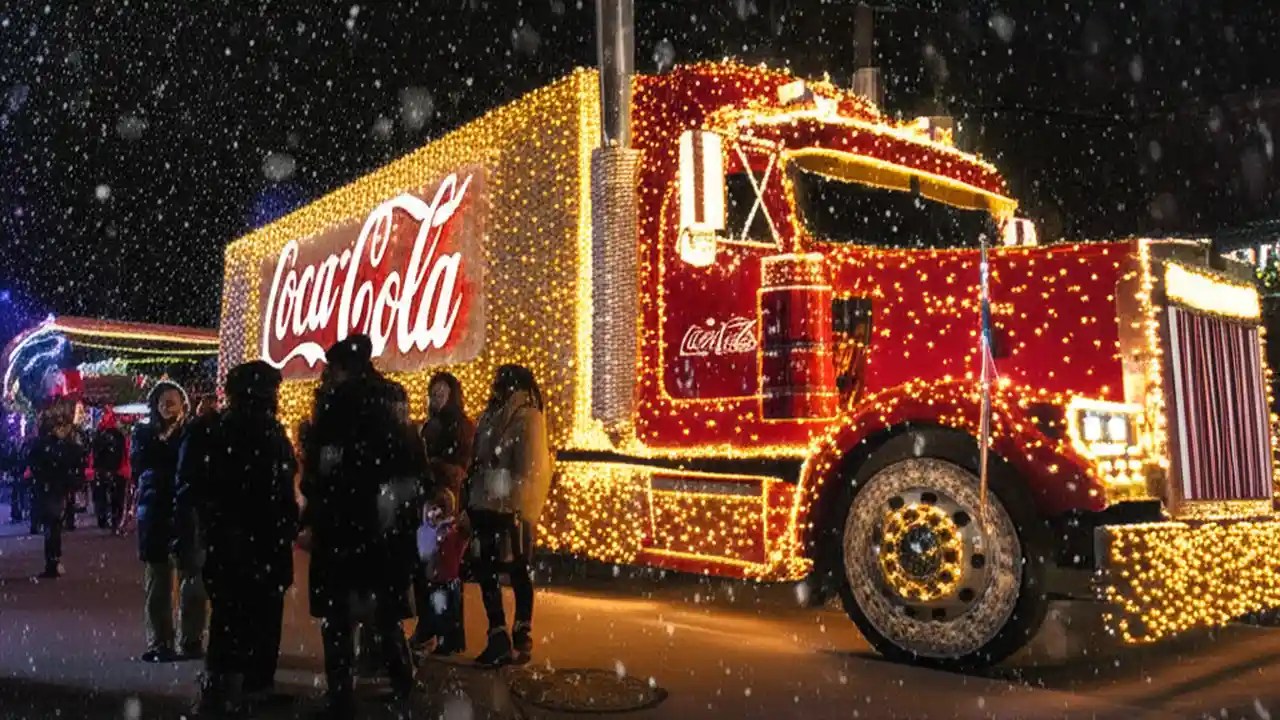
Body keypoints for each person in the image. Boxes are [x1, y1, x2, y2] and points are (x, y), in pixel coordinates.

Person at [299, 335, 423, 717]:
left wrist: (315, 499)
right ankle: (403, 681)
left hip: (343, 521)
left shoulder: (336, 404)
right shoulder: (393, 397)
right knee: (384, 610)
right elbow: (409, 458)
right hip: (383, 523)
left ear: (340, 368)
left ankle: (341, 694)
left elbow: (323, 467)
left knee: (338, 616)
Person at [179, 362, 299, 716]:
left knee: (244, 616)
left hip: (251, 540)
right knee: (242, 616)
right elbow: (195, 488)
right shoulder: (223, 431)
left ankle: (241, 687)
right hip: (245, 540)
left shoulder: (252, 431)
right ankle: (232, 689)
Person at [464, 364, 552, 667]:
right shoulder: (492, 414)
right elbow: (480, 455)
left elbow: (530, 466)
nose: (495, 385)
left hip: (510, 505)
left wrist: (516, 500)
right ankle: (498, 633)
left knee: (517, 567)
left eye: (501, 380)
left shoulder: (527, 416)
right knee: (486, 569)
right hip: (486, 502)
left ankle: (520, 631)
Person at [133, 380, 207, 663]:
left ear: (183, 404)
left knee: (193, 578)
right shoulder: (143, 433)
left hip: (186, 513)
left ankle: (191, 639)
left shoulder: (193, 432)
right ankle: (160, 642)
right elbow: (144, 464)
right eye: (163, 401)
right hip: (154, 512)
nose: (168, 405)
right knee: (159, 579)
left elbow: (193, 467)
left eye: (173, 400)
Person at [409, 371, 473, 651]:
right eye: (433, 394)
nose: (435, 399)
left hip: (446, 503)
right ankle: (433, 628)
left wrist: (433, 464)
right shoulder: (429, 425)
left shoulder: (459, 426)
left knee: (444, 570)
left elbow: (461, 470)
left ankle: (446, 632)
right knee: (427, 569)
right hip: (428, 503)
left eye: (441, 394)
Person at [28, 401, 86, 578]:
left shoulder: (43, 445)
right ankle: (53, 560)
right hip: (55, 488)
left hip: (48, 488)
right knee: (54, 525)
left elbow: (33, 464)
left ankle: (52, 560)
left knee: (52, 525)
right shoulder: (62, 446)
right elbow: (75, 460)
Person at [412, 487, 469, 657]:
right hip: (441, 578)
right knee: (442, 612)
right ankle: (443, 639)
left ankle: (446, 641)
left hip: (444, 578)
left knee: (444, 613)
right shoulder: (438, 531)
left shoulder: (449, 531)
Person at [92, 409, 128, 529]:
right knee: (114, 496)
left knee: (106, 495)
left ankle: (107, 518)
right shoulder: (117, 435)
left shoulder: (101, 434)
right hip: (113, 469)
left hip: (108, 469)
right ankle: (113, 518)